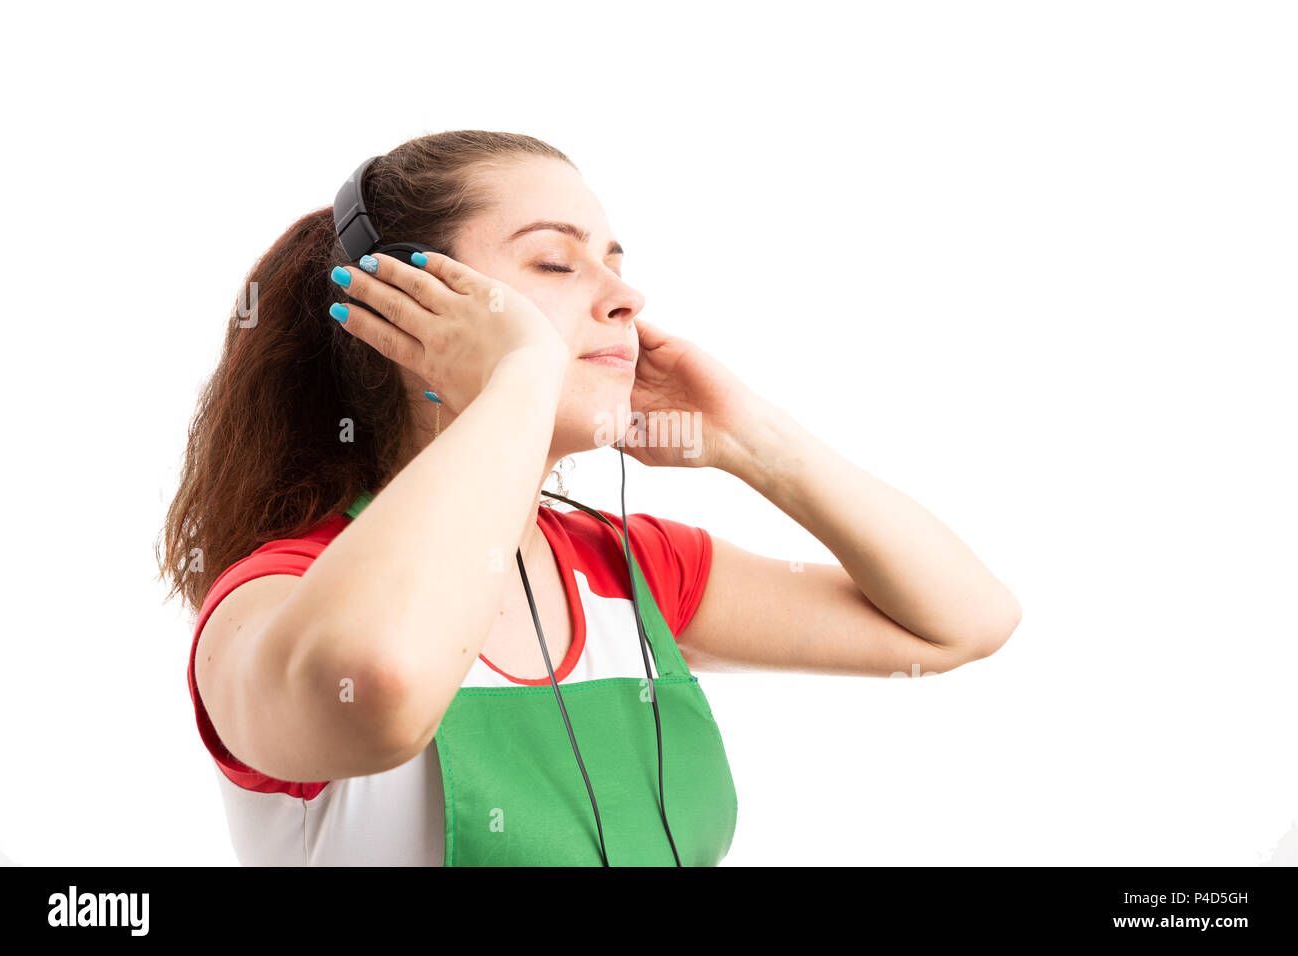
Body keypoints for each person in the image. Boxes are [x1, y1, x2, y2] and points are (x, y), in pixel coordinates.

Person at [156, 129, 1021, 866]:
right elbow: (377, 686)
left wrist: (751, 440)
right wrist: (518, 378)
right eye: (554, 261)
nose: (625, 298)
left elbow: (960, 623)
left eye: (615, 263)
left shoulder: (626, 567)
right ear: (408, 306)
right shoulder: (277, 594)